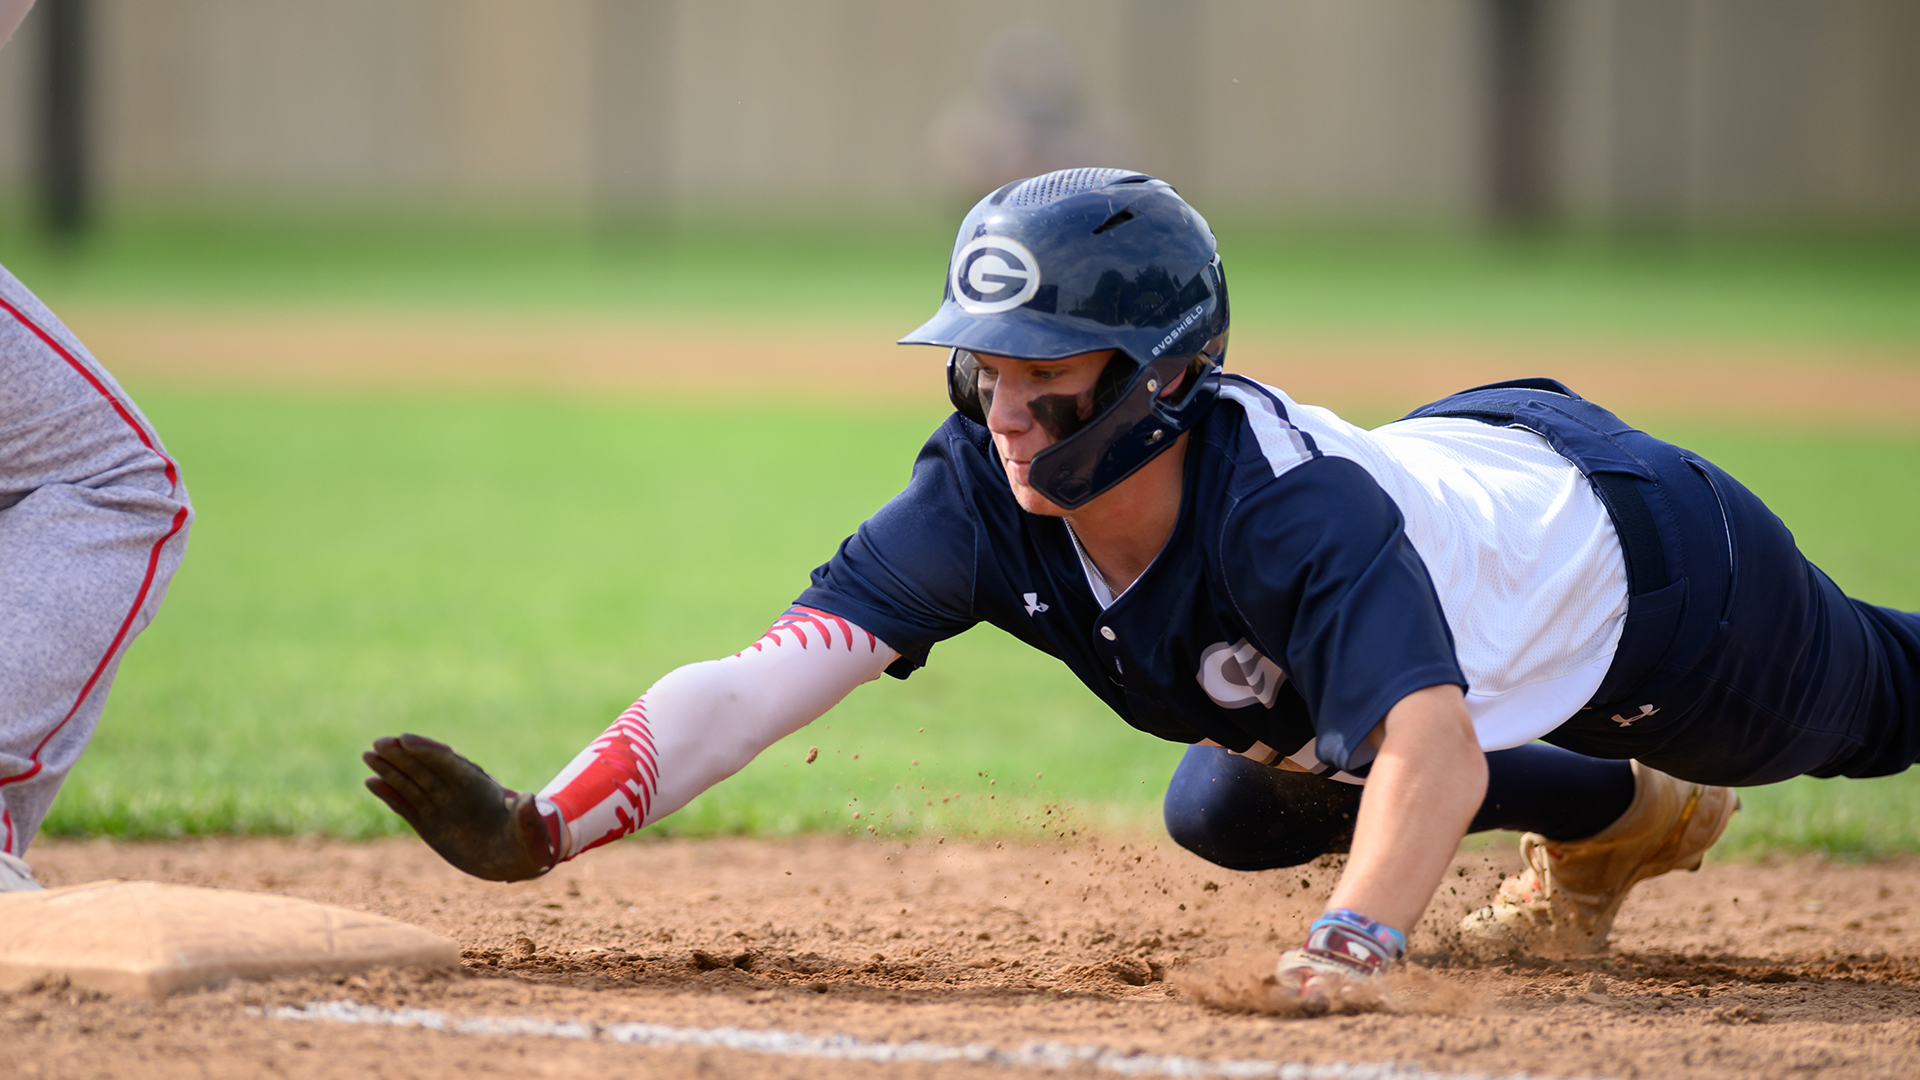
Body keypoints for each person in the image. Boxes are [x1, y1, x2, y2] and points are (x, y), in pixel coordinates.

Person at [365, 169, 1917, 1008]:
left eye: (1055, 388)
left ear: (1169, 378)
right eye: (987, 381)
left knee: (1872, 713)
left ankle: (1663, 784)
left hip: (1647, 575)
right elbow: (771, 674)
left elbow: (1432, 751)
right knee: (1231, 810)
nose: (1010, 425)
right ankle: (1619, 815)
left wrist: (1354, 955)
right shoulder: (981, 488)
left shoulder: (1293, 516)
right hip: (1468, 507)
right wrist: (546, 829)